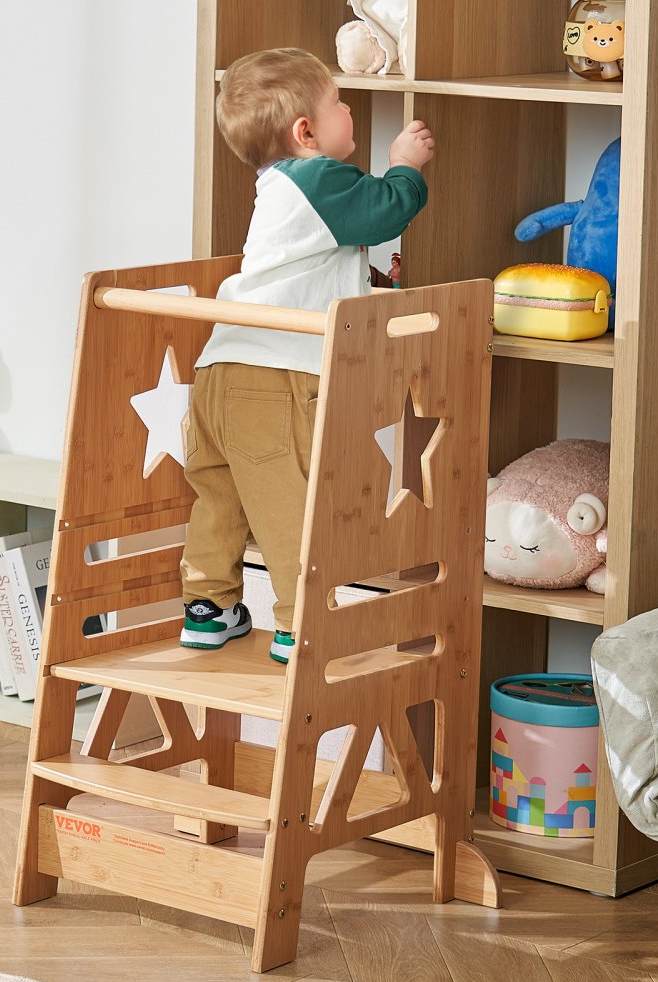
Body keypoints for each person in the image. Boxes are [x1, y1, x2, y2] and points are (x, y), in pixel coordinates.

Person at [179, 47, 434, 664]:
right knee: (289, 502)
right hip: (275, 373)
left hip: (220, 367)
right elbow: (390, 207)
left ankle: (208, 608)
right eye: (341, 105)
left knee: (222, 498)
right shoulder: (319, 178)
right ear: (307, 133)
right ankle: (300, 624)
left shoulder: (277, 188)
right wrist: (406, 165)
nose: (350, 111)